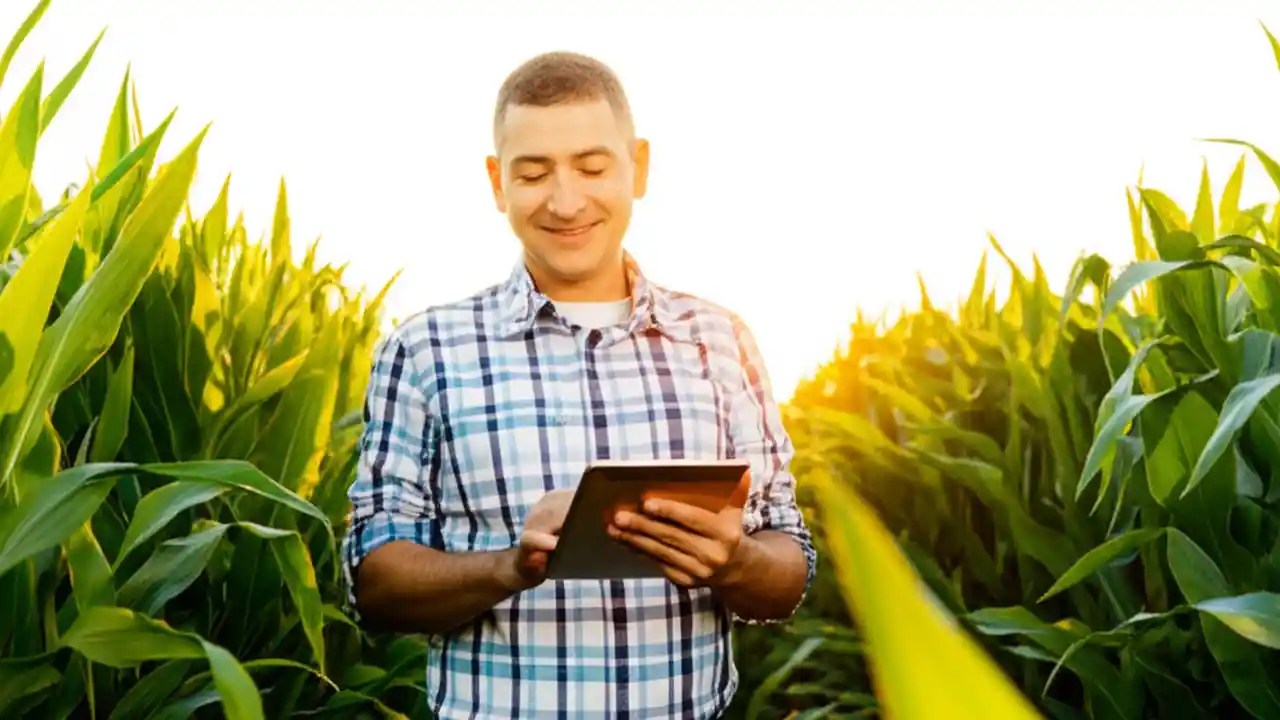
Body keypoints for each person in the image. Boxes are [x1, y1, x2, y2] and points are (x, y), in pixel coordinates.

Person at [341, 50, 816, 720]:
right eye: (533, 173)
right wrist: (512, 565)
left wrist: (733, 560)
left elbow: (786, 567)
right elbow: (375, 584)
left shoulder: (720, 341)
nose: (566, 202)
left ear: (638, 166)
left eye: (592, 168)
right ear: (496, 182)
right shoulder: (423, 352)